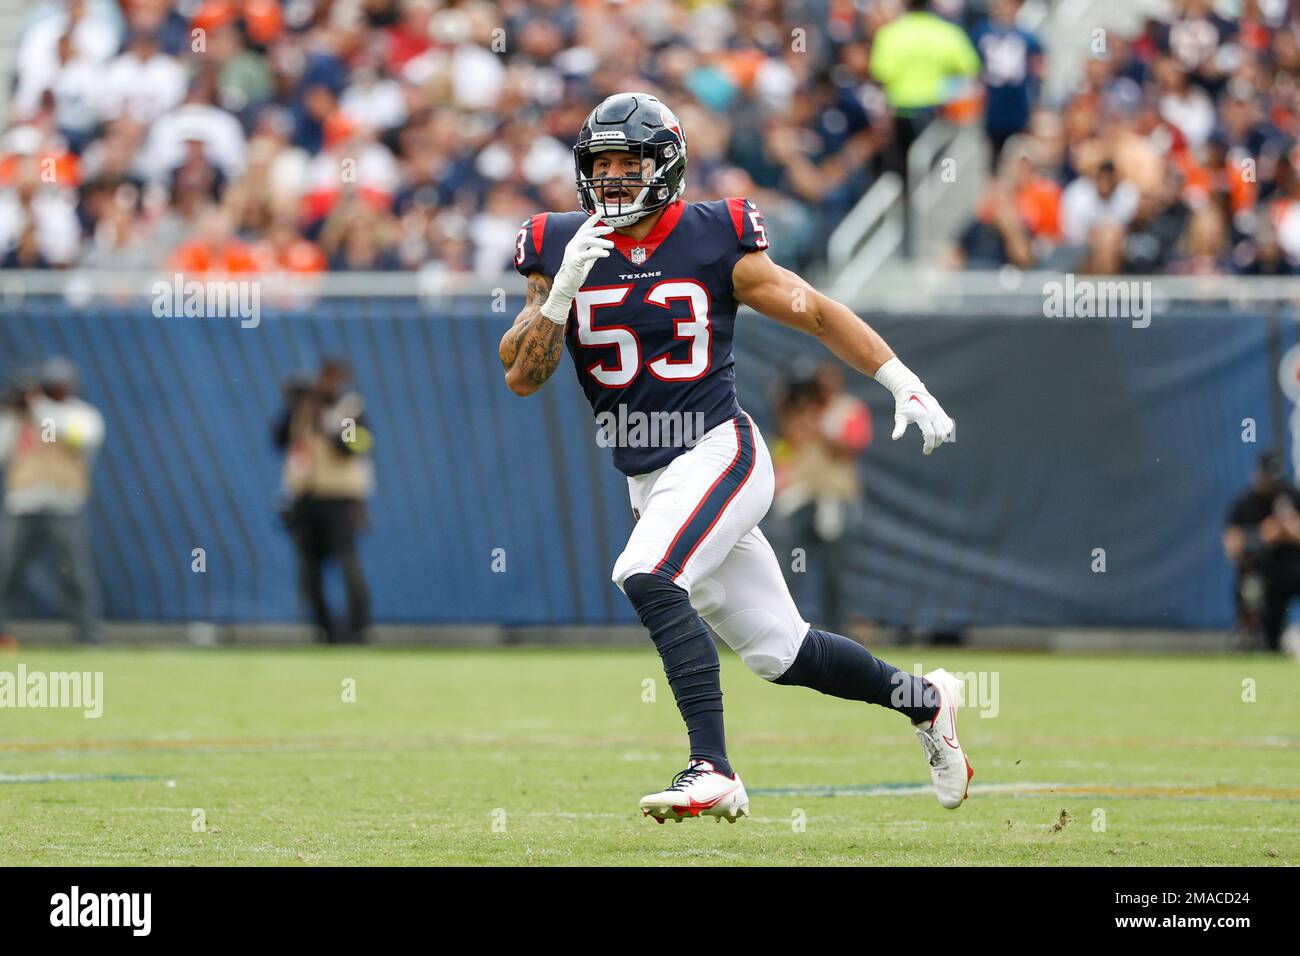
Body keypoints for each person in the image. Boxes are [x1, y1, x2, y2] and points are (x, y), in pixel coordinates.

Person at [499, 92, 969, 823]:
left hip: (719, 449)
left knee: (646, 573)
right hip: (651, 478)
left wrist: (900, 381)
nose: (615, 178)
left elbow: (811, 309)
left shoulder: (713, 235)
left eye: (631, 162)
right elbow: (523, 376)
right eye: (604, 164)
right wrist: (558, 296)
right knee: (783, 653)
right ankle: (927, 700)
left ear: (668, 165)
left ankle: (712, 768)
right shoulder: (559, 244)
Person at [0, 358, 105, 647]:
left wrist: (38, 407)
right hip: (23, 505)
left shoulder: (81, 415)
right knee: (5, 571)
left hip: (66, 506)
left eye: (65, 383)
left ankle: (87, 637)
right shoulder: (19, 419)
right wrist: (11, 412)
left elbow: (80, 437)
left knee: (76, 574)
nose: (61, 388)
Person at [272, 358, 374, 644]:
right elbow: (278, 439)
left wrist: (328, 425)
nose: (326, 384)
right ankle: (325, 630)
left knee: (347, 561)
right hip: (306, 498)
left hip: (342, 498)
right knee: (309, 567)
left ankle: (357, 629)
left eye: (333, 379)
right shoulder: (303, 409)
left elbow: (355, 446)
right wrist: (292, 407)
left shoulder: (351, 408)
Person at [770, 362, 873, 635]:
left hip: (834, 498)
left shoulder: (849, 409)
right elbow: (785, 445)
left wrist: (820, 427)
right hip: (801, 497)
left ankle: (839, 631)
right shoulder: (799, 409)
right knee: (793, 564)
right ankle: (786, 628)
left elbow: (852, 446)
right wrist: (786, 404)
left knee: (835, 570)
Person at [1223, 451, 1300, 654]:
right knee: (1254, 593)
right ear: (1258, 473)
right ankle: (1259, 643)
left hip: (1294, 572)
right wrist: (1263, 535)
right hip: (1264, 576)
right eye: (1267, 476)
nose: (1272, 484)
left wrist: (1289, 529)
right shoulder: (1244, 503)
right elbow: (1232, 545)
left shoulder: (1290, 496)